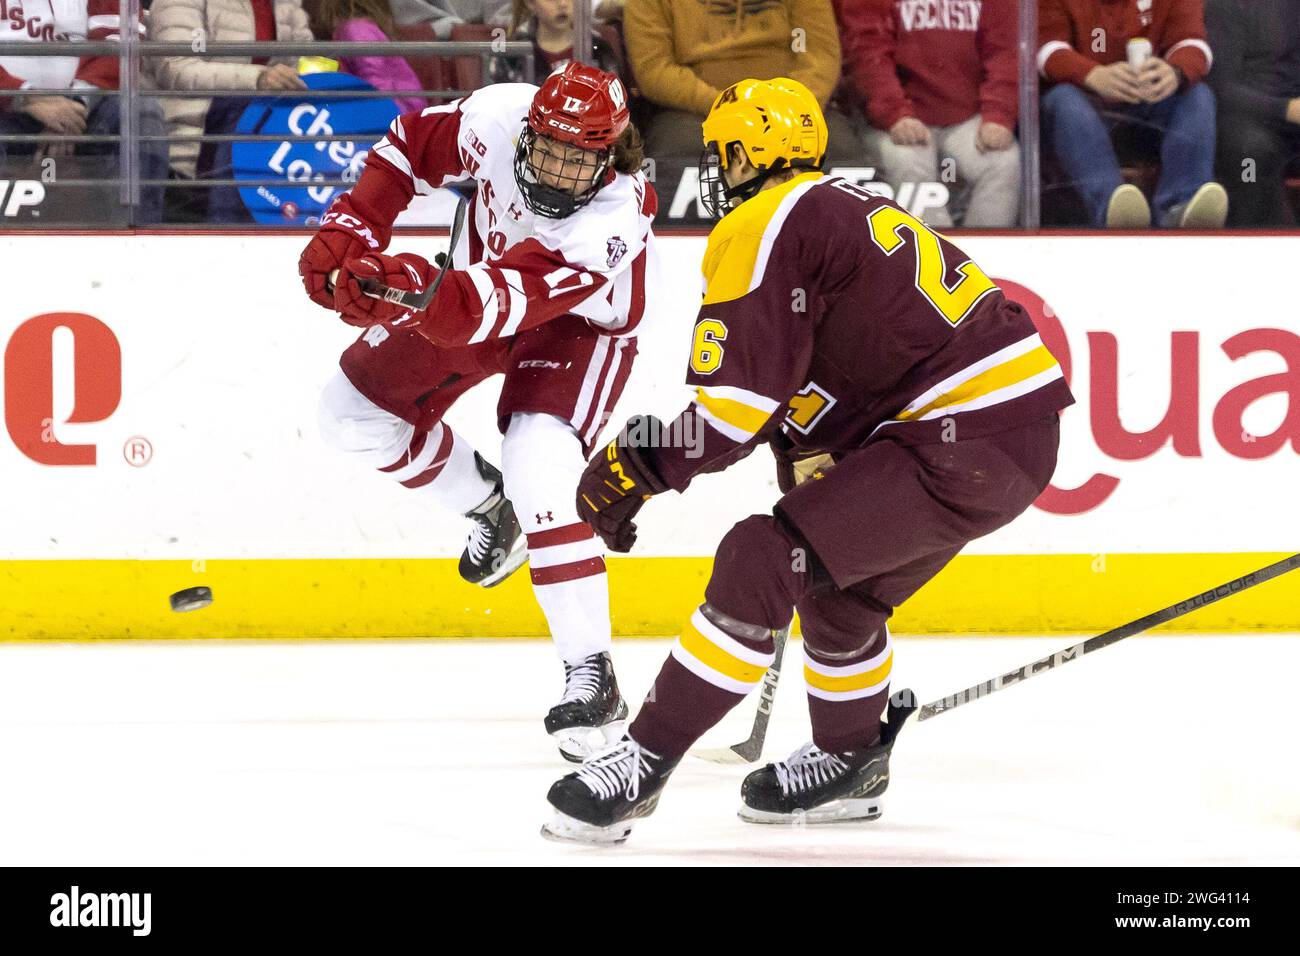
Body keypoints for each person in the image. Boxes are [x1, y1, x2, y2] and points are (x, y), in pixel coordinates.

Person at [543, 77, 1074, 845]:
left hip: (957, 434)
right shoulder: (842, 210)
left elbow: (735, 411)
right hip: (1007, 434)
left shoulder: (764, 223)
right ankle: (848, 757)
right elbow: (808, 391)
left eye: (722, 158)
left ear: (736, 155)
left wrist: (641, 468)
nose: (720, 175)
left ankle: (641, 761)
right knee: (838, 590)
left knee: (763, 555)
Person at [299, 63, 657, 761]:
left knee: (540, 473)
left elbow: (490, 307)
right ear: (527, 130)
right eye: (547, 148)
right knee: (349, 414)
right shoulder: (496, 115)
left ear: (608, 158)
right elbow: (407, 143)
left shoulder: (613, 221)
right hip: (458, 289)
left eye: (577, 158)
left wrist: (399, 286)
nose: (555, 170)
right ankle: (489, 508)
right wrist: (353, 224)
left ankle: (592, 674)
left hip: (574, 329)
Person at [1038, 0, 1226, 229]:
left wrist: (1175, 72)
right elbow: (1044, 48)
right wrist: (1091, 74)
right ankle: (1114, 208)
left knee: (1197, 94)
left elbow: (1193, 41)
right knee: (1063, 99)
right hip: (1085, 104)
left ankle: (1180, 207)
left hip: (1149, 101)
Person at [838, 0, 1021, 227]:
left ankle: (984, 259)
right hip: (895, 117)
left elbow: (1006, 52)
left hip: (967, 116)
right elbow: (867, 53)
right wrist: (896, 114)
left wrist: (998, 115)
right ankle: (936, 257)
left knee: (1003, 163)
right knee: (909, 163)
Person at [624, 0, 860, 163]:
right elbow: (655, 71)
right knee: (677, 154)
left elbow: (819, 57)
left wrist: (787, 107)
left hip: (788, 109)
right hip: (697, 111)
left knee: (841, 153)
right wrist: (730, 106)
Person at [0, 0, 167, 223]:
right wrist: (24, 96)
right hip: (6, 110)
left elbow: (119, 40)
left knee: (140, 113)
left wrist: (76, 106)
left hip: (85, 108)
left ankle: (139, 238)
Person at [148, 0, 314, 184]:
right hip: (199, 137)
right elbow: (177, 68)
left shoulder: (288, 4)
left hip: (273, 137)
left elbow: (302, 62)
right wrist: (258, 79)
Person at [1204, 0, 1300, 227]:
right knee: (1250, 159)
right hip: (1250, 122)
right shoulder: (1226, 6)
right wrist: (1285, 109)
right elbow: (1221, 88)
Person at [312, 0, 429, 115]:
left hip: (398, 111)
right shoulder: (357, 27)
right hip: (397, 108)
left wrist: (384, 115)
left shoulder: (356, 29)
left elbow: (375, 75)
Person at [488, 0, 625, 88]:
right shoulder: (510, 55)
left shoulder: (599, 48)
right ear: (530, 3)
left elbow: (618, 110)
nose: (563, 3)